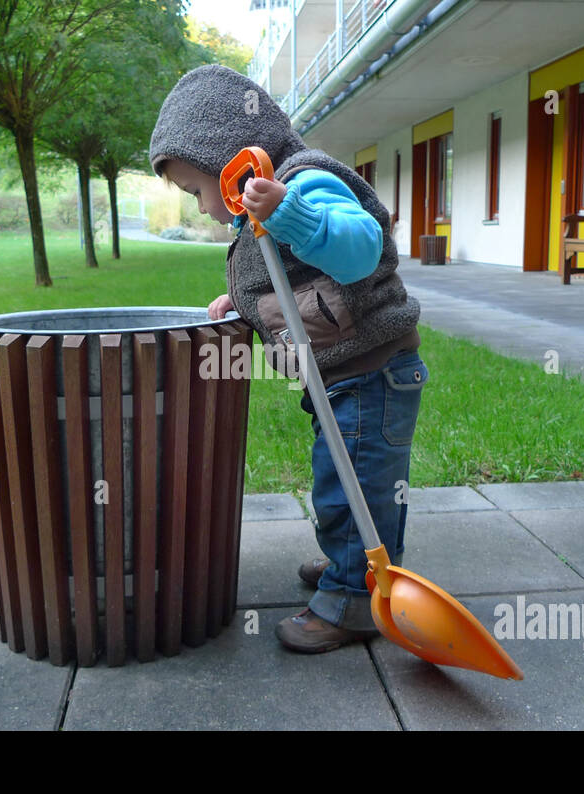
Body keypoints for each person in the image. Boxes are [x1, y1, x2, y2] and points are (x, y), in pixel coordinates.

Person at [149, 65, 428, 654]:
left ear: (230, 162)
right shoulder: (260, 216)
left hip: (372, 373)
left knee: (355, 484)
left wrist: (288, 212)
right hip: (340, 378)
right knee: (344, 482)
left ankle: (354, 598)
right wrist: (241, 304)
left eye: (197, 190)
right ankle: (353, 560)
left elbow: (357, 252)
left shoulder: (304, 184)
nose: (201, 208)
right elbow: (290, 289)